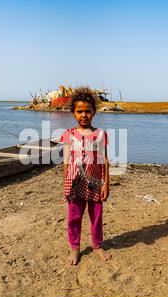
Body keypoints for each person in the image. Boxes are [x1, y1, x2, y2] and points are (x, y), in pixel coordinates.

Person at [60, 87, 111, 265]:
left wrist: (106, 184)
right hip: (75, 182)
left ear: (94, 113)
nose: (84, 115)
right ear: (73, 113)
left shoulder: (101, 135)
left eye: (87, 111)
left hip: (96, 182)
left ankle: (97, 245)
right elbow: (66, 160)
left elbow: (104, 160)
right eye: (79, 111)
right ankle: (75, 247)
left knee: (96, 216)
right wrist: (66, 182)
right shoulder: (68, 135)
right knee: (74, 216)